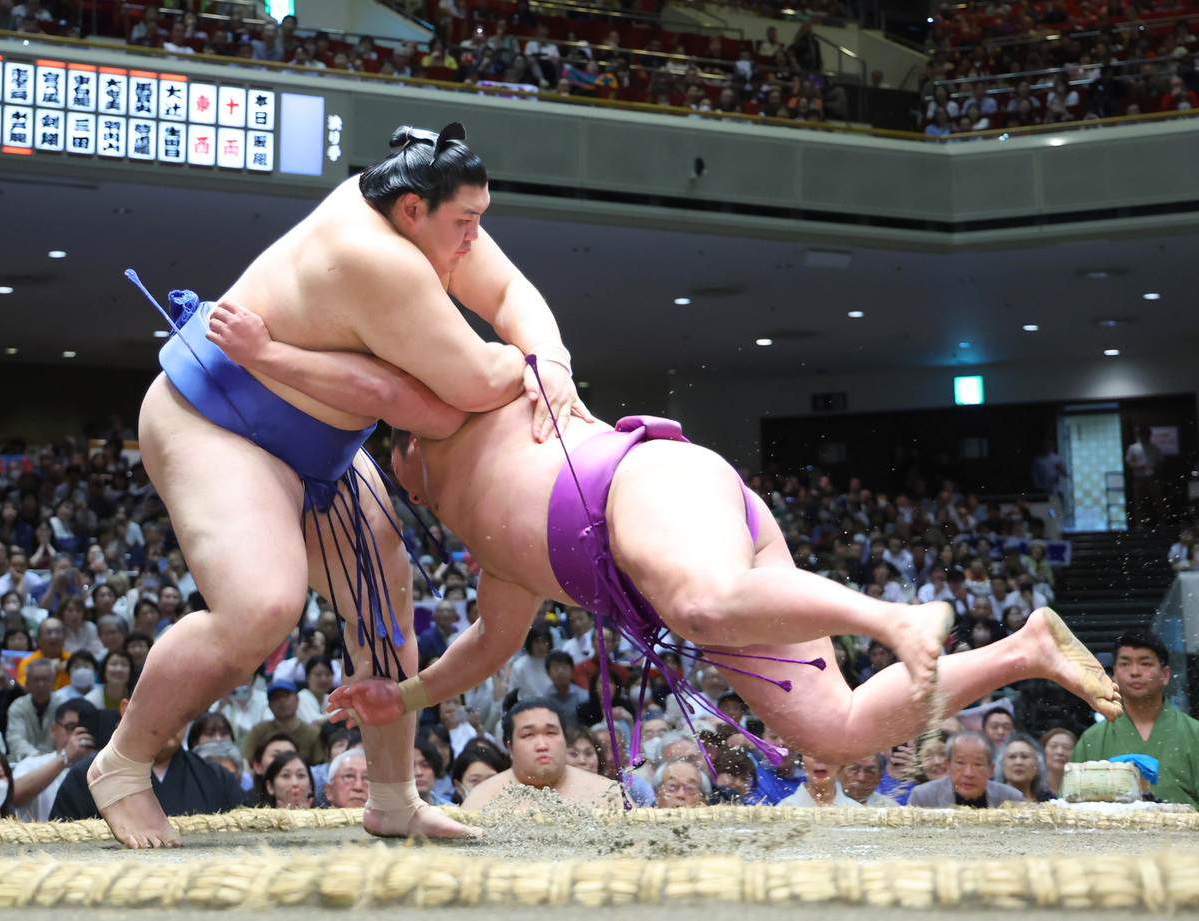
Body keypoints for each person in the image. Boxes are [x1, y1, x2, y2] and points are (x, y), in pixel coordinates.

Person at [224, 319, 1122, 779]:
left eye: (389, 454)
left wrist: (269, 353)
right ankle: (1023, 648)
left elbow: (374, 380)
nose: (391, 468)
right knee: (836, 731)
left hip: (647, 488)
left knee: (701, 602)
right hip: (677, 544)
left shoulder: (455, 413)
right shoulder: (494, 557)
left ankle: (894, 615)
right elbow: (490, 646)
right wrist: (406, 692)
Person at [87, 121, 587, 849]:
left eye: (481, 221)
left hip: (324, 440)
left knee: (386, 601)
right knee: (261, 606)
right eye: (466, 223)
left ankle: (392, 797)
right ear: (414, 210)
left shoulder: (425, 211)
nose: (475, 241)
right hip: (217, 420)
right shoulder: (374, 256)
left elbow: (510, 289)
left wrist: (554, 360)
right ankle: (123, 763)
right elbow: (470, 387)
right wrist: (528, 362)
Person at [52, 703, 249, 821]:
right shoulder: (85, 776)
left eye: (178, 707)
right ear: (127, 709)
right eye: (157, 705)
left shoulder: (218, 778)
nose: (168, 717)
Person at [1072, 629, 1199, 807]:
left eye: (1145, 664)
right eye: (1125, 664)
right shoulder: (1092, 739)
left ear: (1166, 675)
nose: (1135, 672)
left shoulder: (1194, 733)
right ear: (1114, 675)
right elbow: (1072, 805)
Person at [461, 699, 619, 808]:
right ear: (510, 748)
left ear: (564, 741)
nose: (542, 745)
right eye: (528, 735)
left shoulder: (606, 793)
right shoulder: (482, 799)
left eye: (551, 733)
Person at [10, 699, 97, 821]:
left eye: (84, 729)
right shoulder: (34, 763)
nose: (78, 736)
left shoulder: (102, 766)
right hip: (40, 838)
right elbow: (13, 795)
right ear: (53, 730)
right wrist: (65, 757)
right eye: (70, 728)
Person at [906, 731, 1024, 808]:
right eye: (960, 763)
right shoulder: (923, 797)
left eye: (977, 764)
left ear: (991, 770)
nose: (968, 774)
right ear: (947, 765)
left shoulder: (1011, 798)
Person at [240, 680, 325, 767]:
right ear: (269, 705)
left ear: (297, 699)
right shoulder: (259, 731)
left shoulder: (312, 733)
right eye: (276, 697)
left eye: (286, 695)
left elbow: (320, 765)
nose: (282, 700)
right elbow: (246, 759)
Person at [778, 753, 863, 807]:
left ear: (841, 764)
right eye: (810, 752)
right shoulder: (784, 809)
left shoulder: (857, 811)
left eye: (828, 752)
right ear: (801, 763)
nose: (819, 759)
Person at [994, 732, 1054, 802]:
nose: (1018, 762)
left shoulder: (1049, 802)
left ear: (1038, 765)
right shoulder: (990, 800)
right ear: (1001, 764)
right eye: (1012, 757)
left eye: (1024, 757)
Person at [1040, 727, 1076, 796]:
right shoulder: (1033, 786)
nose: (1060, 752)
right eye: (1053, 746)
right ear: (1043, 750)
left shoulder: (1080, 786)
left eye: (1067, 747)